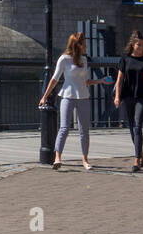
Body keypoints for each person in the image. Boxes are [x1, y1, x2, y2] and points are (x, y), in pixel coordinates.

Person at [39, 33, 102, 170]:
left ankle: (85, 159)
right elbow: (55, 79)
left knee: (84, 130)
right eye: (84, 44)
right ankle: (57, 157)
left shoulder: (84, 60)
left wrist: (100, 81)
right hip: (67, 96)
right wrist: (44, 96)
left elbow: (85, 81)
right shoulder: (64, 59)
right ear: (77, 45)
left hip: (83, 97)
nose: (85, 46)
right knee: (64, 128)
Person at [113, 31, 143, 171]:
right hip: (127, 96)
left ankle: (137, 160)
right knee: (131, 127)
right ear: (132, 44)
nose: (141, 47)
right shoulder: (125, 58)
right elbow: (119, 79)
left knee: (137, 125)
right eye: (139, 44)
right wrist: (117, 96)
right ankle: (141, 153)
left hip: (142, 96)